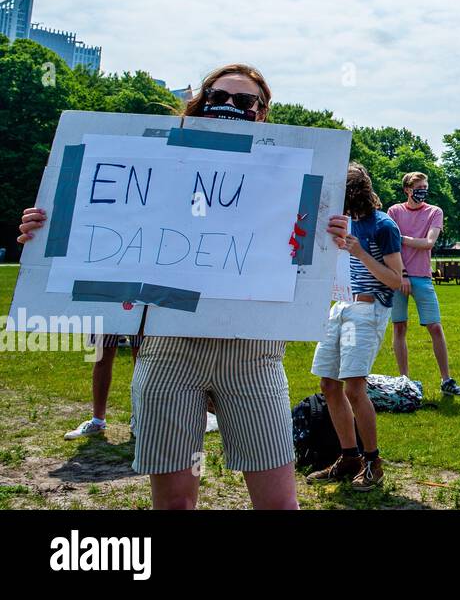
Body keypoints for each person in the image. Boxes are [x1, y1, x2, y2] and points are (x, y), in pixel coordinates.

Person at [18, 63, 336, 509]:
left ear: (261, 113)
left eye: (244, 101)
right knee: (174, 506)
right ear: (201, 101)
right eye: (218, 96)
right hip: (168, 353)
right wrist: (46, 228)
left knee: (279, 505)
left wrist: (329, 237)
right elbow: (105, 230)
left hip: (253, 357)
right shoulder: (158, 162)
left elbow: (304, 264)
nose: (230, 106)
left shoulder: (286, 175)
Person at [308, 163, 404, 491]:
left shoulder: (383, 225)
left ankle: (373, 461)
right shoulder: (342, 222)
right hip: (341, 306)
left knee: (353, 387)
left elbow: (396, 280)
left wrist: (360, 251)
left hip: (368, 310)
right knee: (329, 384)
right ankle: (348, 456)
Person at [387, 171, 460, 397]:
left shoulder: (434, 211)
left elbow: (428, 243)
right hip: (397, 275)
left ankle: (446, 380)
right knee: (399, 326)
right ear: (407, 190)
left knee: (435, 326)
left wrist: (400, 238)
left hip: (422, 276)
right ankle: (404, 380)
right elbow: (390, 248)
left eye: (425, 187)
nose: (422, 191)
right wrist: (402, 273)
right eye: (418, 188)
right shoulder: (394, 211)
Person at [56, 333, 141, 441]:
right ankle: (97, 422)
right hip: (110, 316)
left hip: (140, 316)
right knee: (102, 354)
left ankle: (141, 423)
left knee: (140, 355)